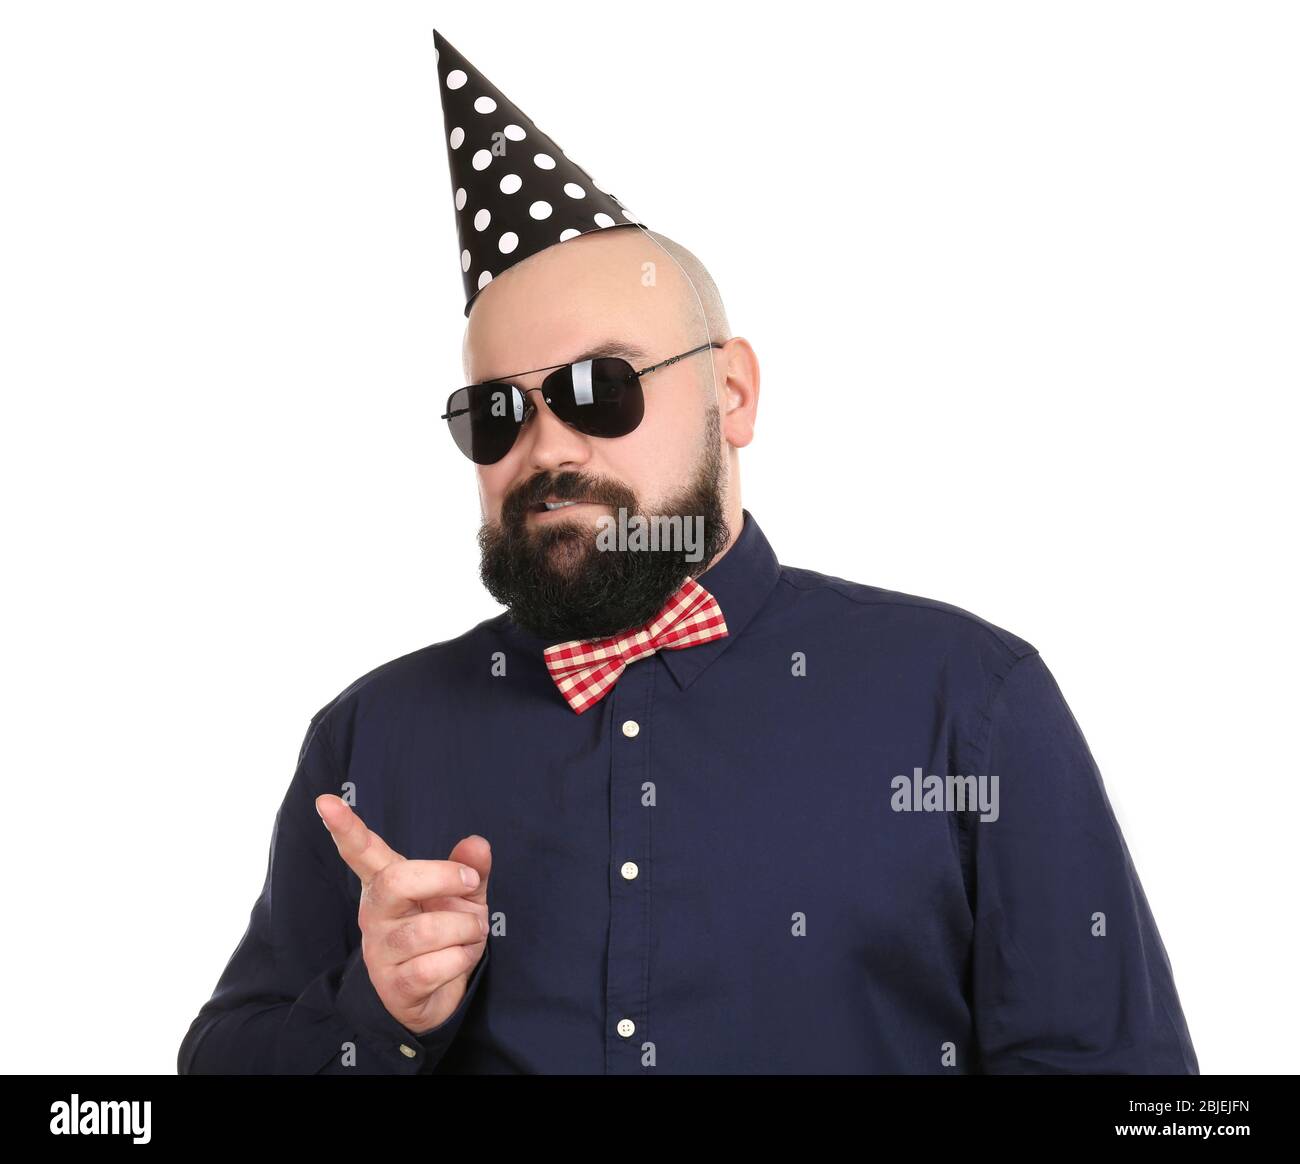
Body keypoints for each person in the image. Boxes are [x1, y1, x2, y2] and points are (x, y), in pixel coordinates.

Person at [176, 30, 1198, 1075]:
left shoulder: (969, 705)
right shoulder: (370, 739)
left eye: (598, 389)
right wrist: (377, 1012)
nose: (548, 448)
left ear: (733, 393)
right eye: (495, 414)